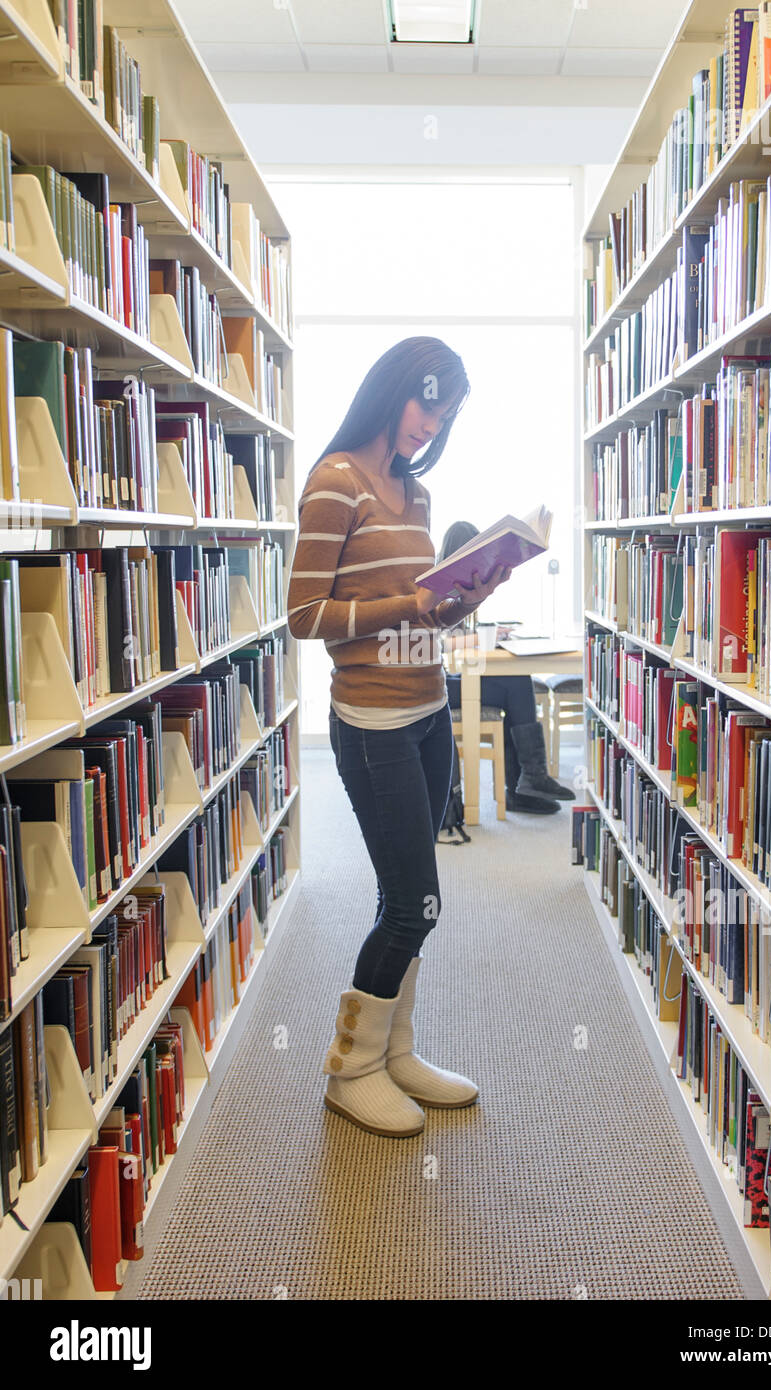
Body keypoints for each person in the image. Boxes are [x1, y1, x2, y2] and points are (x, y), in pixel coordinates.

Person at [287, 337, 512, 1140]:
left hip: (426, 712)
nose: (433, 423)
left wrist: (467, 594)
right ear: (394, 390)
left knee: (408, 897)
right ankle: (351, 1069)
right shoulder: (335, 484)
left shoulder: (414, 494)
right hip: (371, 724)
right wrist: (408, 608)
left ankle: (395, 1050)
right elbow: (305, 616)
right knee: (414, 906)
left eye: (446, 413)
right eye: (428, 402)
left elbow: (425, 614)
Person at [439, 520, 576, 815]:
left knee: (515, 684)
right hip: (438, 686)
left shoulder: (458, 587)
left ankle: (526, 783)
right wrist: (481, 637)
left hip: (449, 679)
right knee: (515, 684)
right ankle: (527, 782)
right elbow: (438, 642)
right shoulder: (437, 589)